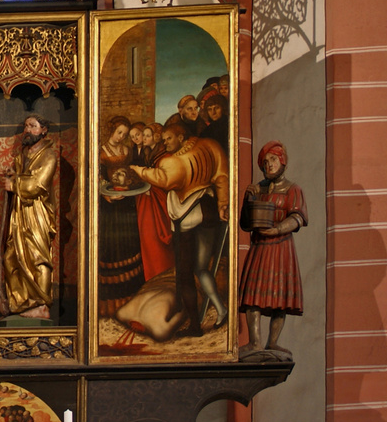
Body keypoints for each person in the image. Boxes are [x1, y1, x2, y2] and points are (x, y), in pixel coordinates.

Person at [127, 118, 230, 336]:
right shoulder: (211, 146)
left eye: (169, 139)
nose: (165, 143)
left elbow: (165, 179)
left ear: (181, 137)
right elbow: (222, 176)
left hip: (188, 218)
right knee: (201, 268)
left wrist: (138, 170)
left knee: (184, 274)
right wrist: (222, 203)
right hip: (209, 212)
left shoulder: (176, 160)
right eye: (163, 140)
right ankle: (221, 310)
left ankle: (194, 325)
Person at [239, 140, 308, 356]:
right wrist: (246, 201)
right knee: (253, 294)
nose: (269, 165)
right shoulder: (257, 189)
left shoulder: (292, 189)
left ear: (282, 161)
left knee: (280, 296)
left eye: (273, 160)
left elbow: (298, 217)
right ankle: (254, 342)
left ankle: (273, 342)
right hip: (260, 246)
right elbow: (244, 224)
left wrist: (277, 230)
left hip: (281, 247)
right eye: (265, 162)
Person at [0, 114, 58, 319]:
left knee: (37, 258)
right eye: (26, 126)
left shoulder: (49, 155)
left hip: (37, 213)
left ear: (44, 130)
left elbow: (38, 184)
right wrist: (13, 175)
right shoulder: (22, 156)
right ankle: (22, 302)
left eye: (33, 126)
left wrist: (14, 184)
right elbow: (25, 178)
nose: (28, 130)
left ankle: (41, 303)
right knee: (11, 257)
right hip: (20, 213)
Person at [96, 115, 144, 315]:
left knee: (129, 244)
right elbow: (97, 175)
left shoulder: (127, 150)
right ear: (112, 131)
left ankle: (132, 299)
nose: (121, 137)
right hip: (109, 203)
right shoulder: (101, 150)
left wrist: (131, 184)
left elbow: (132, 173)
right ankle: (111, 304)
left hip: (127, 201)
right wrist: (105, 196)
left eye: (124, 134)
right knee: (111, 245)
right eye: (119, 133)